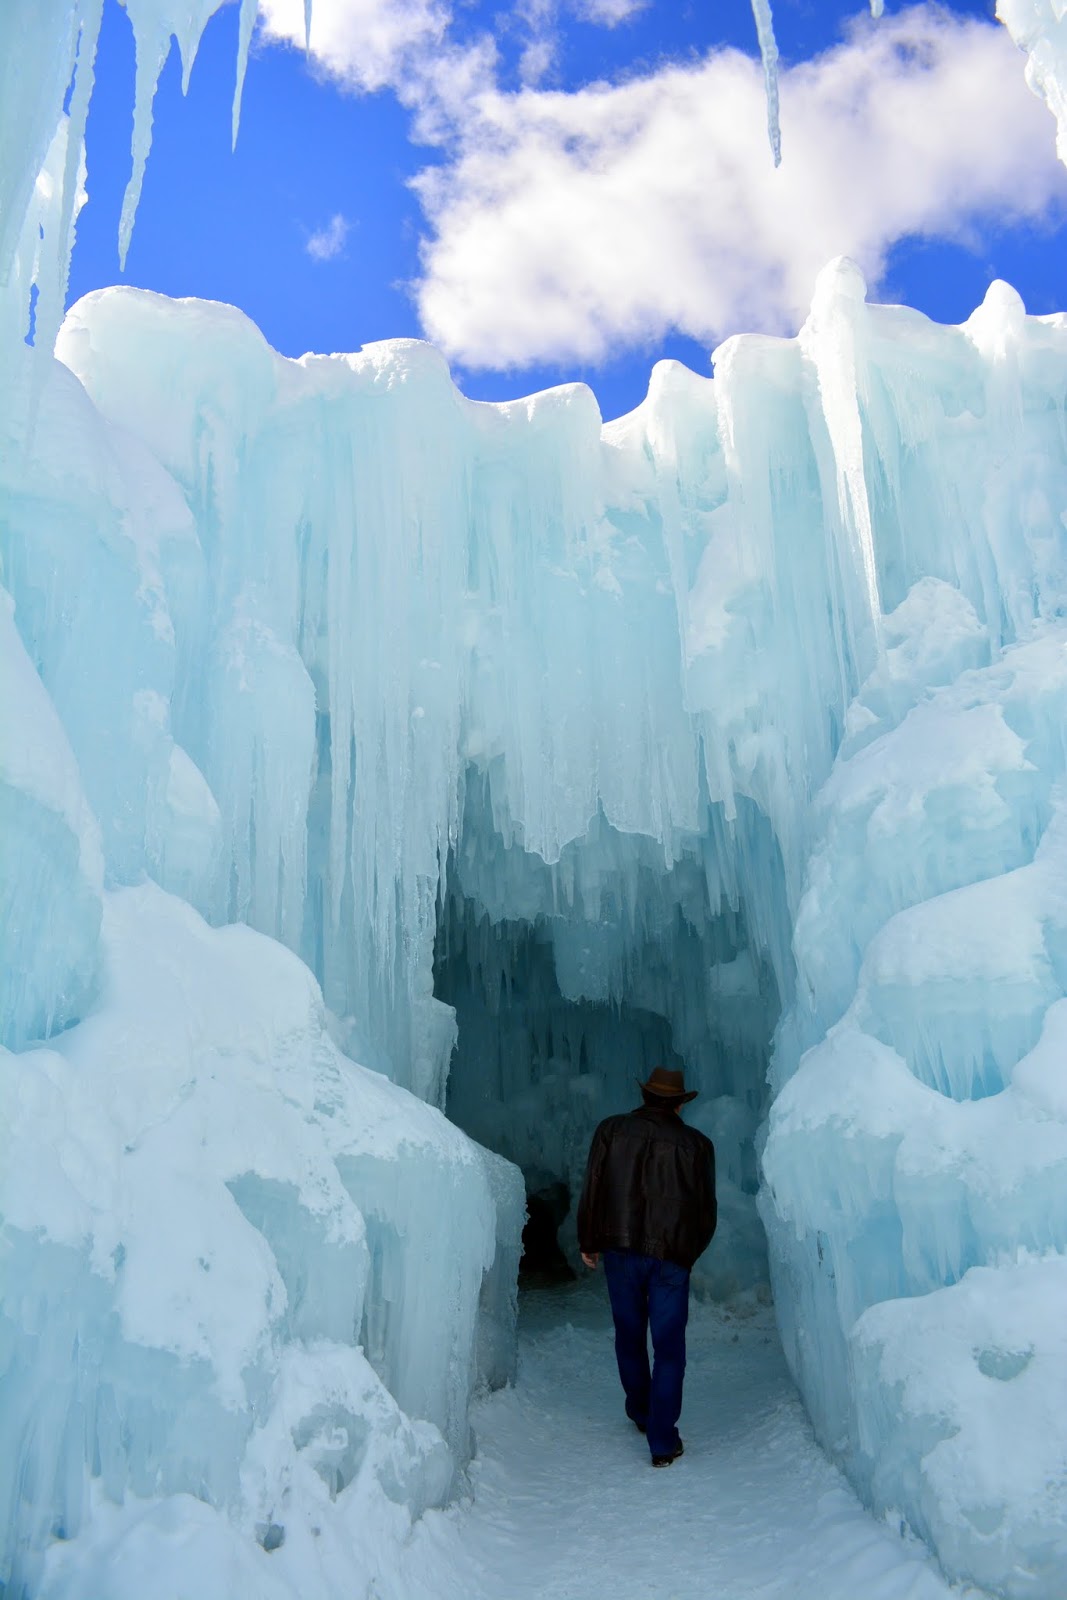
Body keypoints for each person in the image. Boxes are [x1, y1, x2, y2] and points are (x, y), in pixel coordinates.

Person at [576, 1066, 716, 1468]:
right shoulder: (697, 1145)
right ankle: (662, 1441)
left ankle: (640, 1411)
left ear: (645, 1097)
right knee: (670, 1348)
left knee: (630, 1335)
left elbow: (594, 1187)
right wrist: (687, 1254)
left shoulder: (611, 1130)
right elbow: (706, 1213)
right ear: (678, 1103)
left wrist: (590, 1241)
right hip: (671, 1258)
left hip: (620, 1251)